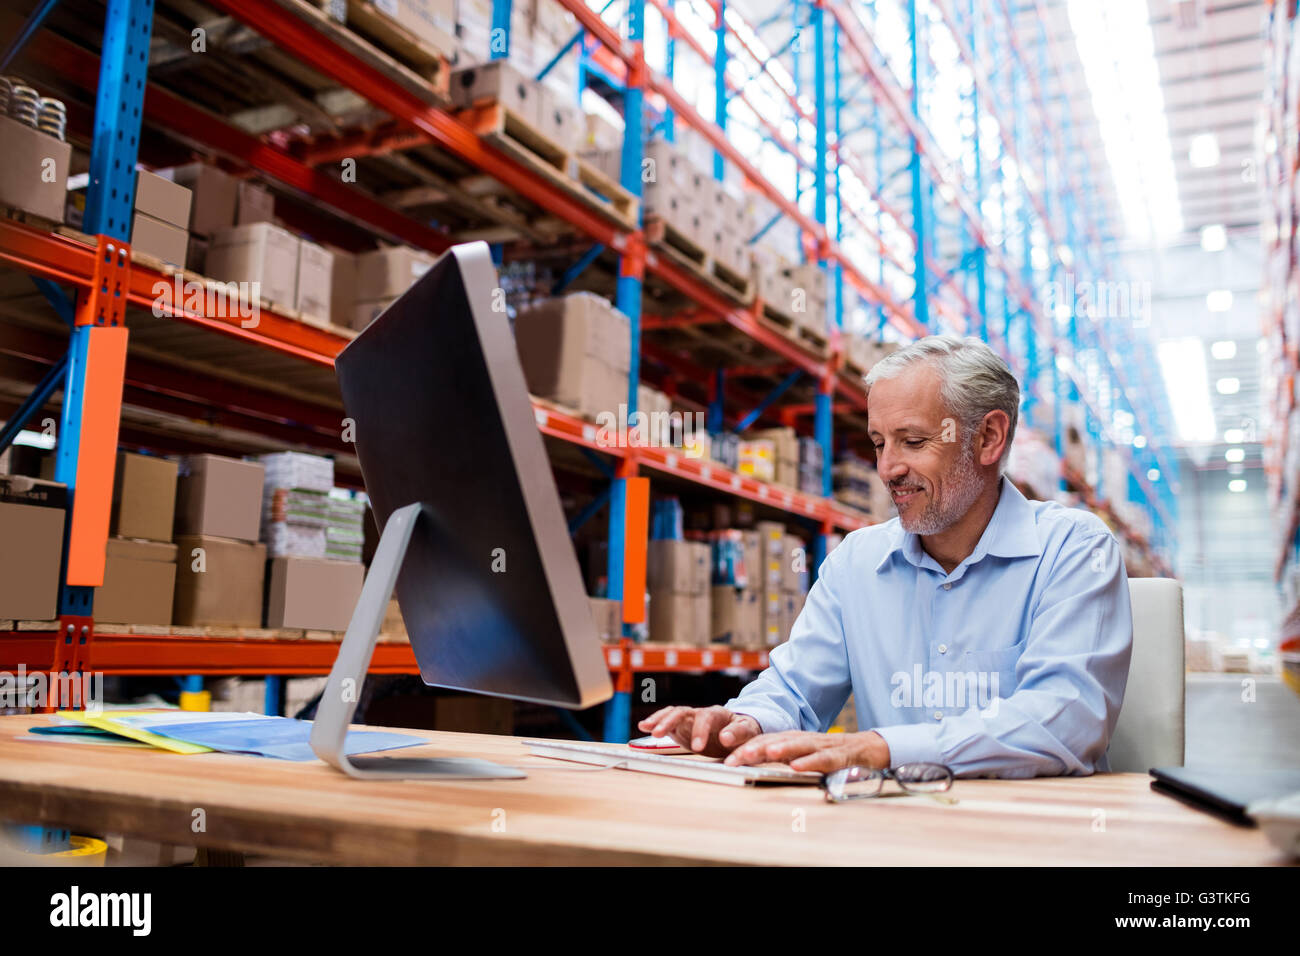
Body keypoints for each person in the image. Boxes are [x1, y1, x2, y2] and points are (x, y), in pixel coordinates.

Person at [640, 334, 1133, 778]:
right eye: (879, 443)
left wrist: (880, 748)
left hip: (1034, 839)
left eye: (913, 442)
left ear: (988, 438)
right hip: (894, 832)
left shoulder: (1074, 550)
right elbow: (794, 689)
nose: (888, 468)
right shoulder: (856, 562)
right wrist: (744, 722)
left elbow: (1065, 718)